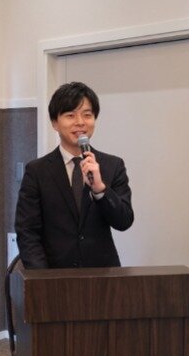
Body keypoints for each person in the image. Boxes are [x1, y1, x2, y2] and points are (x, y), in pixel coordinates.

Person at [15, 82, 134, 269]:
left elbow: (124, 221)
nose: (80, 122)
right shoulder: (37, 171)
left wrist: (100, 190)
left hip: (103, 275)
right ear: (55, 122)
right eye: (70, 115)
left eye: (87, 115)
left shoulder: (112, 165)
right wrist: (43, 278)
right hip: (54, 275)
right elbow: (27, 231)